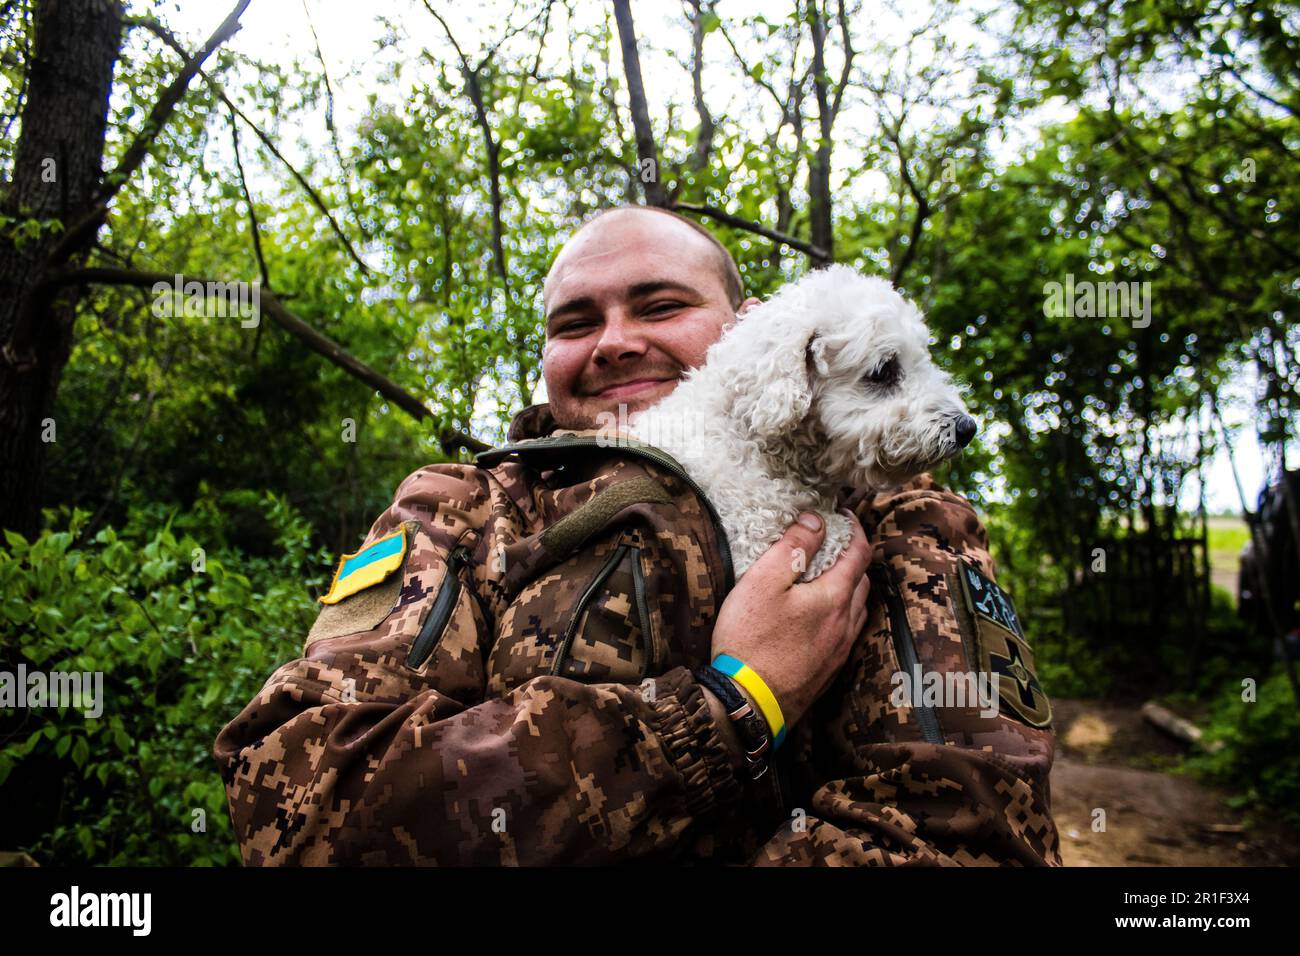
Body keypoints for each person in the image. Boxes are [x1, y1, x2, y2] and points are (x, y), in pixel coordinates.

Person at [213, 205, 1062, 866]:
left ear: (751, 327)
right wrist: (735, 703)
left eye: (661, 305)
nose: (616, 342)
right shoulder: (457, 510)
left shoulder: (901, 522)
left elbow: (972, 833)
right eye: (575, 322)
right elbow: (296, 799)